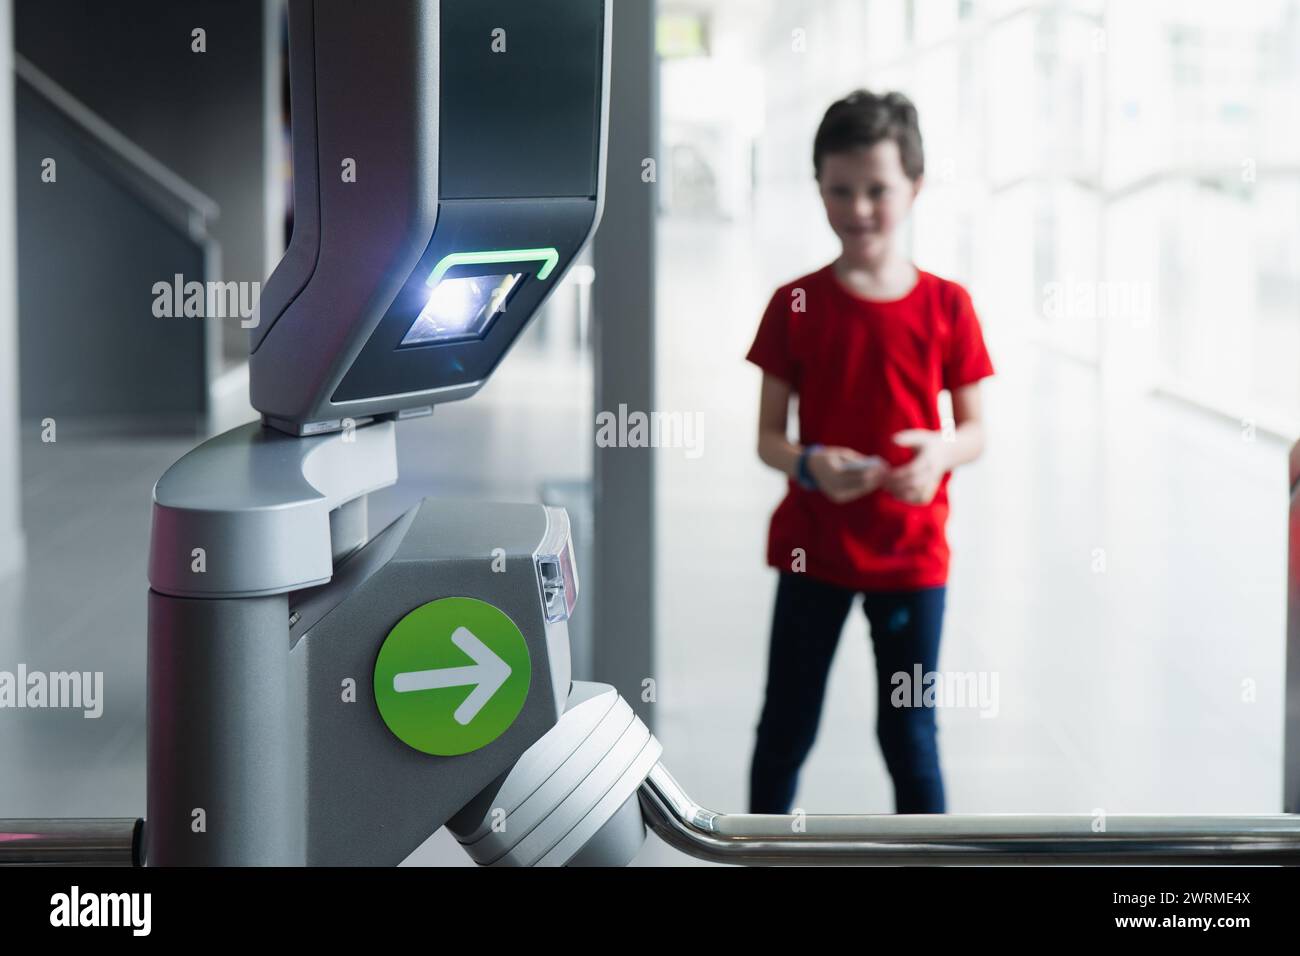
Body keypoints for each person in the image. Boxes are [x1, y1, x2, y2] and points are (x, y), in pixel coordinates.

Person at [745, 89, 996, 815]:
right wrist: (807, 463)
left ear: (915, 187)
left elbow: (976, 431)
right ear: (818, 187)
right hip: (812, 551)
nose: (857, 208)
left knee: (910, 734)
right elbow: (767, 438)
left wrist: (938, 454)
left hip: (911, 556)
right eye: (839, 190)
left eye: (876, 190)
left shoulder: (949, 305)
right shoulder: (795, 303)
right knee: (787, 725)